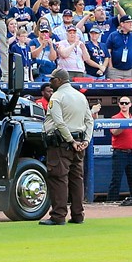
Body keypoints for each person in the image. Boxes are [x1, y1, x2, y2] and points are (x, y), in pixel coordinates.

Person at [41, 69, 90, 225]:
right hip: (79, 142)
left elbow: (59, 122)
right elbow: (89, 121)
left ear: (60, 80)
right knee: (77, 179)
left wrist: (71, 141)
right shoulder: (80, 96)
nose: (50, 82)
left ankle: (58, 215)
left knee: (58, 178)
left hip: (62, 143)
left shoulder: (57, 96)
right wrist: (86, 140)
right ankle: (78, 215)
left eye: (53, 79)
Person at [103, 97, 132, 205]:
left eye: (126, 103)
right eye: (122, 103)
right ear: (119, 104)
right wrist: (125, 123)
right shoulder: (115, 118)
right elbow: (115, 132)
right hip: (120, 153)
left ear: (130, 104)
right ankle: (111, 202)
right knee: (116, 179)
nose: (124, 105)